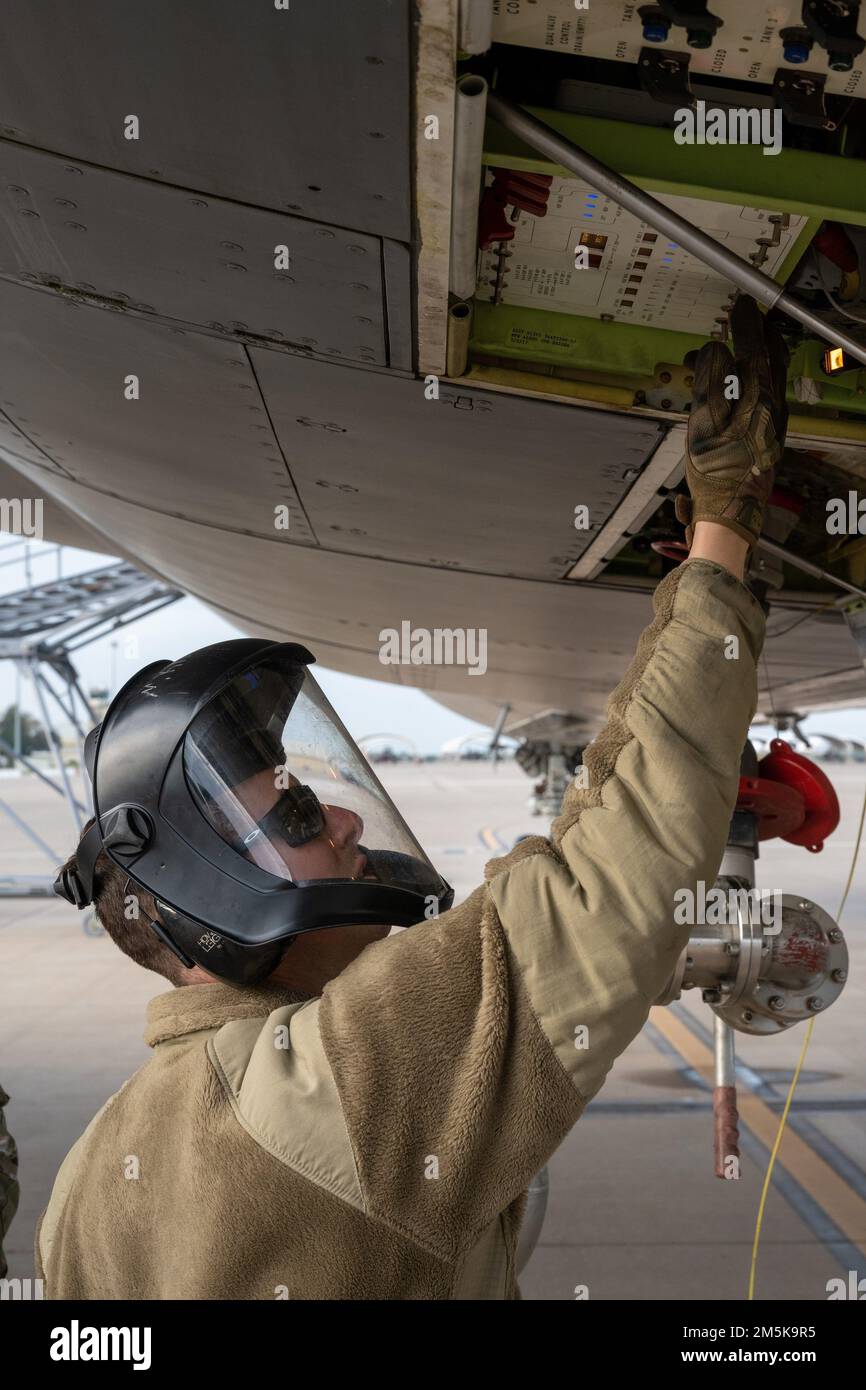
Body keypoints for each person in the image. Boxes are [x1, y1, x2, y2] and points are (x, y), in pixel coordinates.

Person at [39, 296, 787, 1300]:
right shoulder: (327, 1097)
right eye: (299, 817)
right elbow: (611, 883)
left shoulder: (85, 1184)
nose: (346, 821)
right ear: (210, 896)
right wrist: (721, 527)